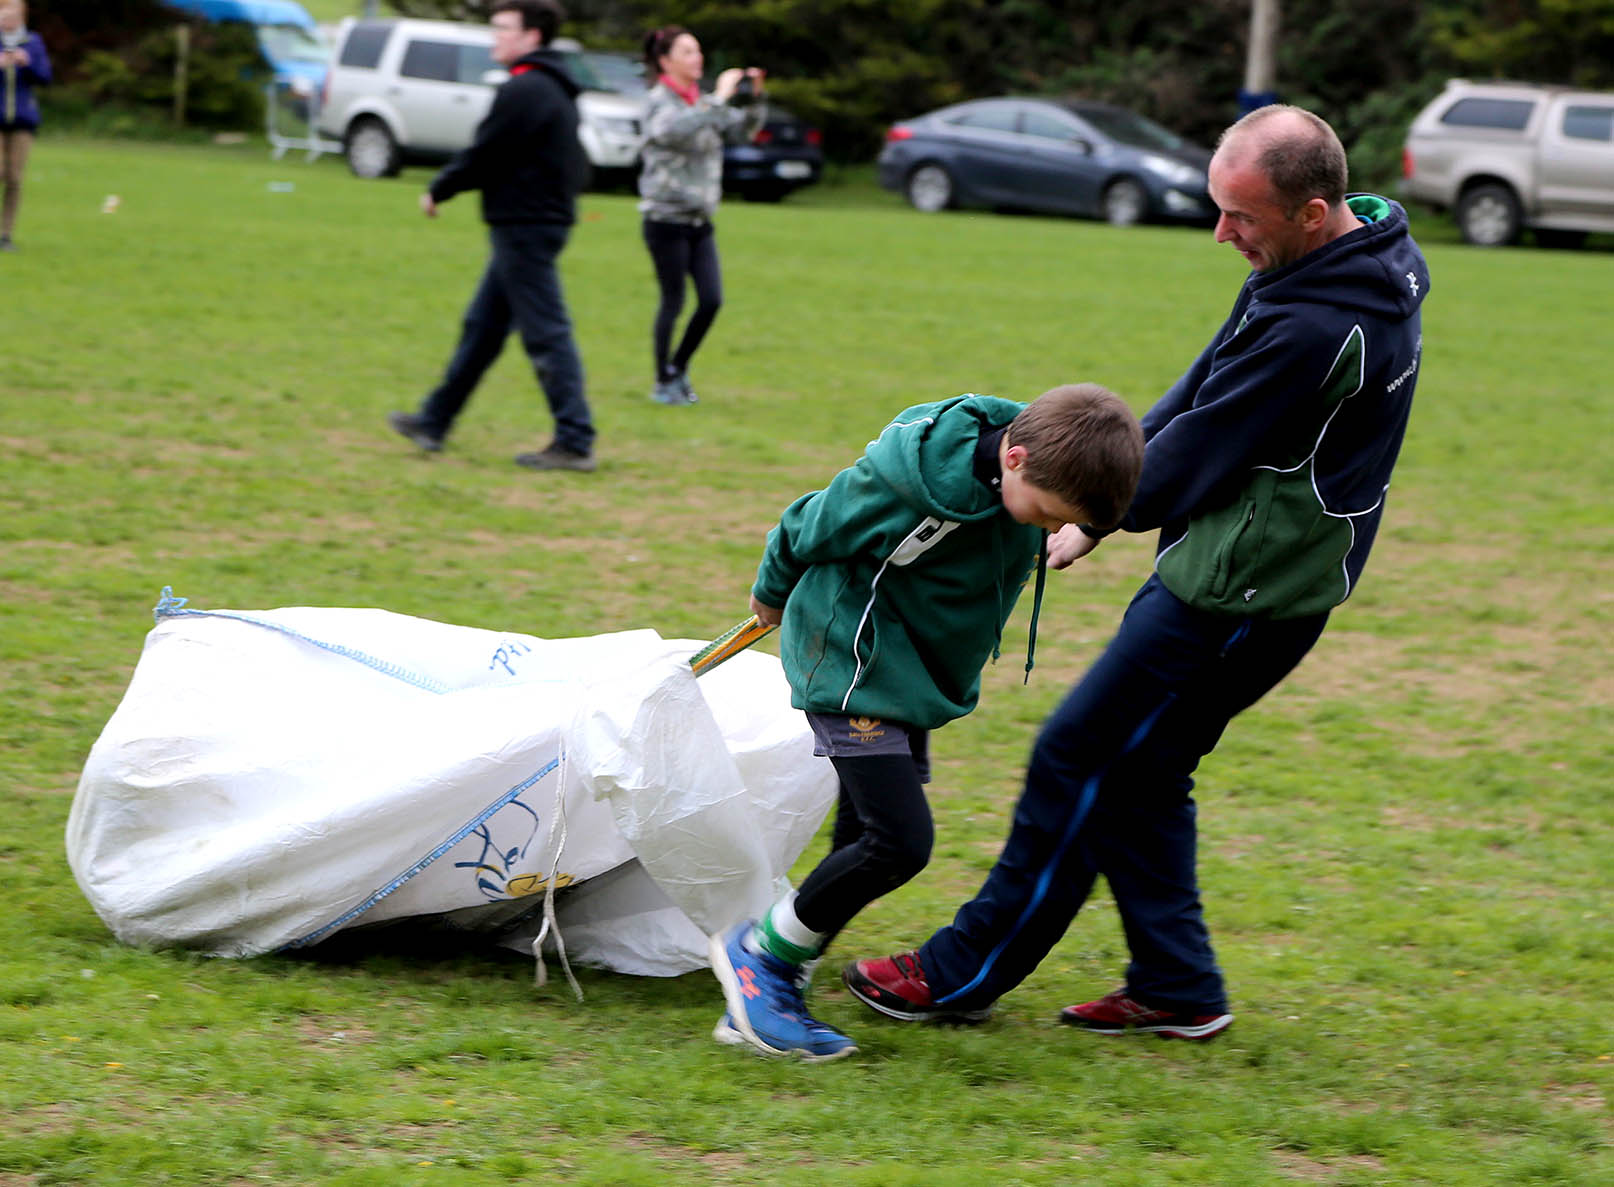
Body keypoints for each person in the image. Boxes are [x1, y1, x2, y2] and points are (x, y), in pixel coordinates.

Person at [842, 105, 1430, 1042]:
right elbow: (1202, 388)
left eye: (1241, 216)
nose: (1221, 233)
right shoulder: (1350, 259)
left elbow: (1190, 457)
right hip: (1250, 571)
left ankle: (962, 972)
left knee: (1078, 755)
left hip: (1239, 596)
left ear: (1313, 211)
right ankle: (1177, 983)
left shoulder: (1320, 323)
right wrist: (1100, 509)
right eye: (1219, 206)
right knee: (1145, 773)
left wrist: (1080, 500)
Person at [709, 383, 1146, 1060]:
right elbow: (808, 522)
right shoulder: (911, 486)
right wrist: (771, 592)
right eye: (1044, 515)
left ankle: (788, 956)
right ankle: (759, 960)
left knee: (862, 833)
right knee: (899, 842)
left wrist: (1078, 526)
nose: (1043, 528)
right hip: (852, 659)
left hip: (907, 669)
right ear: (1015, 458)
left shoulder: (1033, 469)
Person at [387, 0, 596, 472]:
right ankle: (433, 421)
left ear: (532, 36)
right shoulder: (553, 87)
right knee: (483, 328)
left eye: (503, 28)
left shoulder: (526, 89)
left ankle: (575, 440)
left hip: (525, 226)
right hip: (532, 222)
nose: (494, 37)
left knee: (546, 332)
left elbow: (487, 153)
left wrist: (441, 188)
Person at [635, 26, 765, 406]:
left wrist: (754, 100)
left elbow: (744, 132)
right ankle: (663, 381)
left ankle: (678, 368)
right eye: (688, 52)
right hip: (665, 220)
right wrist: (719, 99)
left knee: (711, 300)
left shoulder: (704, 103)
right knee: (673, 301)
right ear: (665, 61)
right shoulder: (658, 101)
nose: (698, 58)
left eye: (698, 50)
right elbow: (674, 131)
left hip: (700, 221)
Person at [0, 0, 50, 253]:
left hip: (23, 121)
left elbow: (45, 77)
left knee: (14, 178)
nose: (9, 19)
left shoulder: (33, 42)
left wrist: (26, 62)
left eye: (14, 14)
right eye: (5, 14)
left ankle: (5, 234)